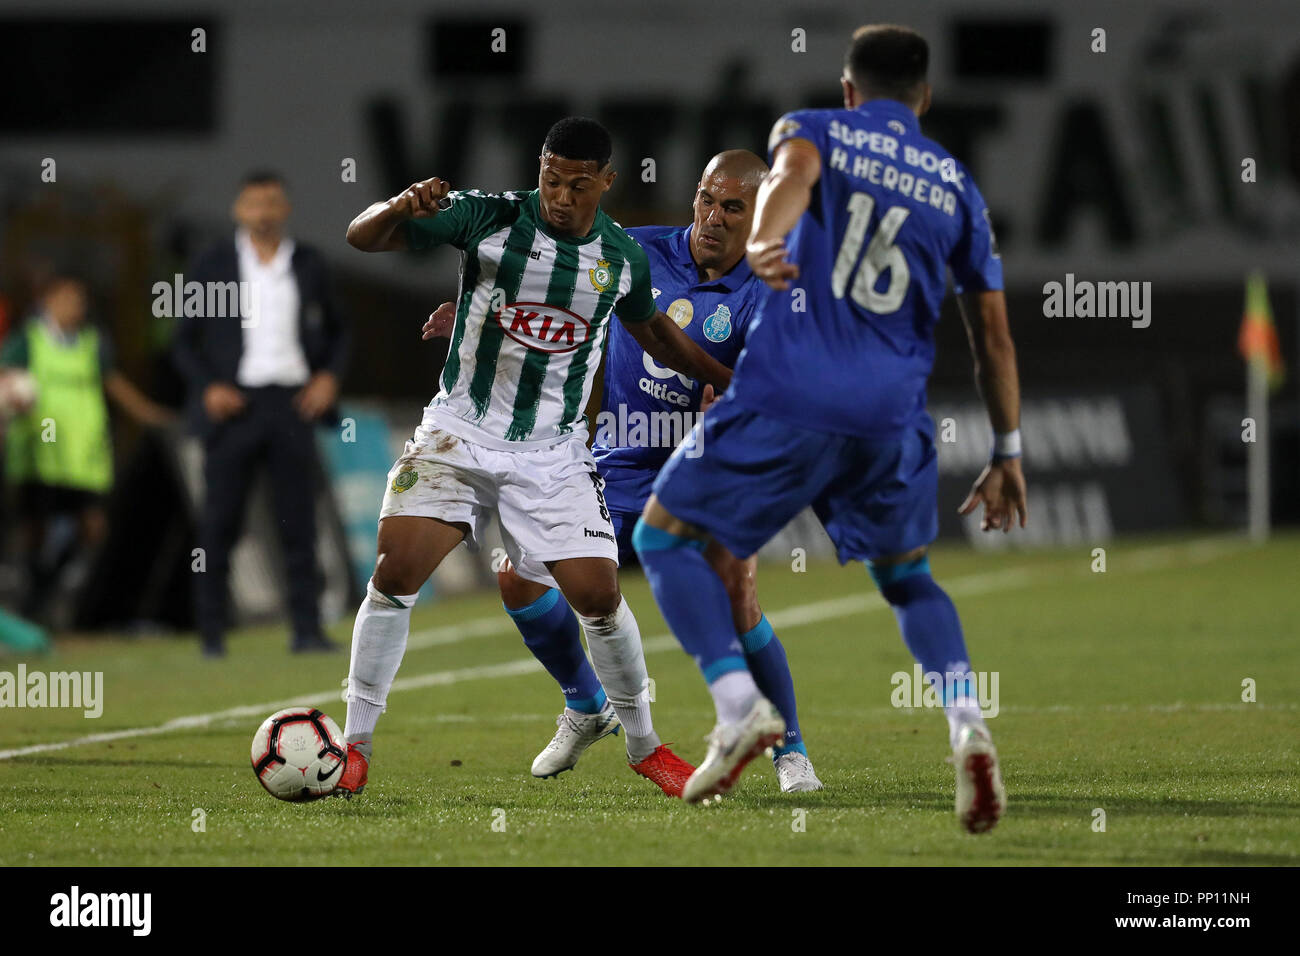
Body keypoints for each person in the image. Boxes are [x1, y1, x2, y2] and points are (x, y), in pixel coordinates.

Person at [632, 25, 1026, 831]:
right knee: (909, 578)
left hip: (788, 395)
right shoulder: (956, 187)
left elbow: (791, 180)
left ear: (849, 90)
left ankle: (739, 704)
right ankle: (965, 721)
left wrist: (770, 237)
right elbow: (993, 337)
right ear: (925, 99)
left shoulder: (813, 129)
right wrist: (1007, 451)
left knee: (663, 540)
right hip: (891, 415)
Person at [336, 117, 733, 799]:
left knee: (599, 597)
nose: (560, 196)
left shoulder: (618, 259)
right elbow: (362, 237)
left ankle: (644, 745)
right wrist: (400, 205)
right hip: (458, 434)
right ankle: (354, 747)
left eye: (578, 185)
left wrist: (731, 384)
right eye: (551, 179)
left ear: (606, 183)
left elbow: (660, 336)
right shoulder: (485, 216)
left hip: (554, 451)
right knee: (395, 572)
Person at [422, 150, 823, 792]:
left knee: (737, 594)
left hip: (702, 475)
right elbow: (543, 287)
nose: (711, 218)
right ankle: (586, 705)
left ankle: (791, 751)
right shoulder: (635, 252)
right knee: (517, 581)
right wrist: (475, 318)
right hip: (611, 463)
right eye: (704, 199)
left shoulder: (770, 290)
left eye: (732, 208)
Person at [172, 171, 350, 657]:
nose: (264, 212)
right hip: (235, 407)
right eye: (254, 204)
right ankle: (210, 634)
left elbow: (338, 333)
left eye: (272, 202)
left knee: (298, 522)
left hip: (292, 405)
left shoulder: (309, 263)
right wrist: (208, 387)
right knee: (218, 523)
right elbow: (183, 342)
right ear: (239, 210)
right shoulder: (213, 264)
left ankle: (307, 630)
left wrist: (328, 377)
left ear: (285, 208)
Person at [2, 276, 173, 622]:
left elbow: (113, 383)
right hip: (42, 454)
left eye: (79, 301)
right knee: (36, 527)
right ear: (47, 301)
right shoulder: (27, 341)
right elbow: (8, 379)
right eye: (66, 299)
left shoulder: (92, 343)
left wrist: (148, 413)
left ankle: (55, 585)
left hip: (82, 457)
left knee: (92, 526)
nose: (74, 308)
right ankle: (28, 590)